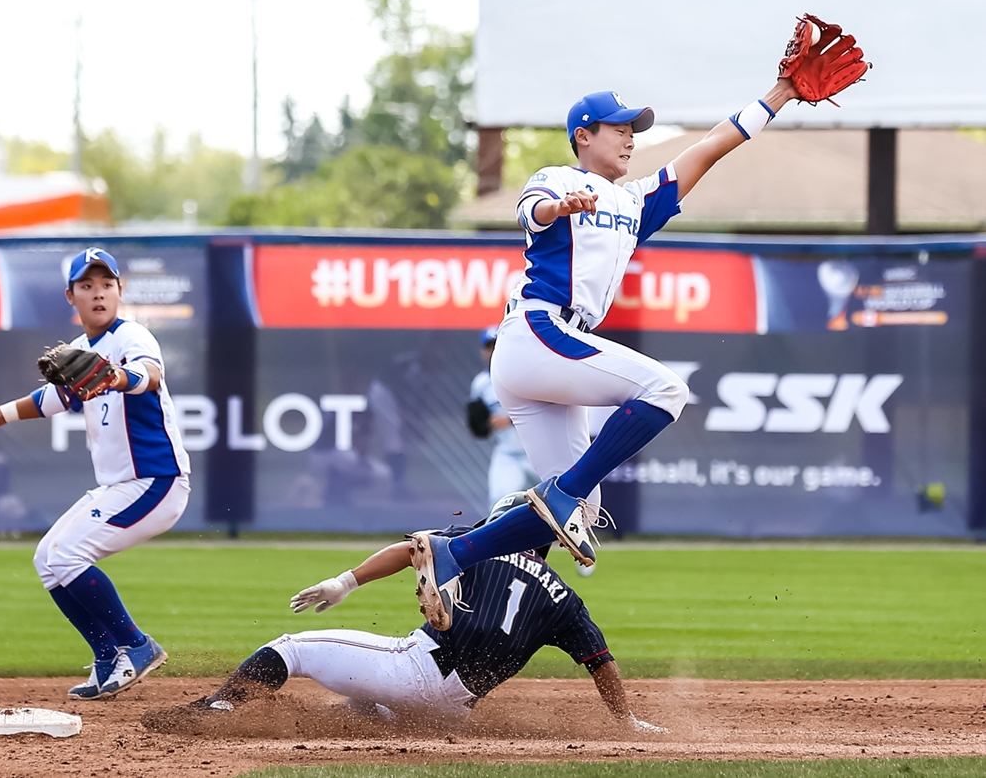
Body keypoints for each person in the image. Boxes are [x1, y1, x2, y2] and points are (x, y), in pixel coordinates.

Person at [412, 71, 821, 631]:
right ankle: (559, 498)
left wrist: (779, 96)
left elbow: (709, 147)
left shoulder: (636, 200)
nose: (630, 137)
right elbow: (531, 211)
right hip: (538, 331)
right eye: (618, 128)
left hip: (547, 356)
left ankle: (454, 553)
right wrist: (560, 208)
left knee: (580, 512)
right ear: (583, 135)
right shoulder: (558, 178)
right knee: (666, 390)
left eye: (634, 129)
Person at [141, 494, 665, 733]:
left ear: (504, 527)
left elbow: (413, 548)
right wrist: (626, 721)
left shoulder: (477, 545)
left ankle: (217, 709)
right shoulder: (566, 600)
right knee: (368, 707)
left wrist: (345, 582)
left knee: (290, 649)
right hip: (454, 711)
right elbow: (602, 662)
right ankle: (353, 721)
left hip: (416, 670)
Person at [0, 247, 191, 700]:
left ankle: (136, 645)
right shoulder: (83, 352)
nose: (98, 293)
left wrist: (117, 377)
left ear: (120, 291)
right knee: (47, 559)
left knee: (68, 555)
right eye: (87, 285)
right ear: (72, 296)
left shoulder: (132, 336)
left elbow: (148, 374)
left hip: (156, 481)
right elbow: (55, 398)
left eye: (106, 284)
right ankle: (107, 656)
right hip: (121, 485)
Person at [469, 325, 539, 509]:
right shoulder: (481, 384)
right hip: (507, 452)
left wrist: (509, 421)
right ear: (482, 352)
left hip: (539, 452)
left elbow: (544, 411)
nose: (494, 351)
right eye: (489, 347)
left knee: (556, 503)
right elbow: (478, 422)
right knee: (499, 503)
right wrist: (482, 425)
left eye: (498, 345)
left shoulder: (528, 375)